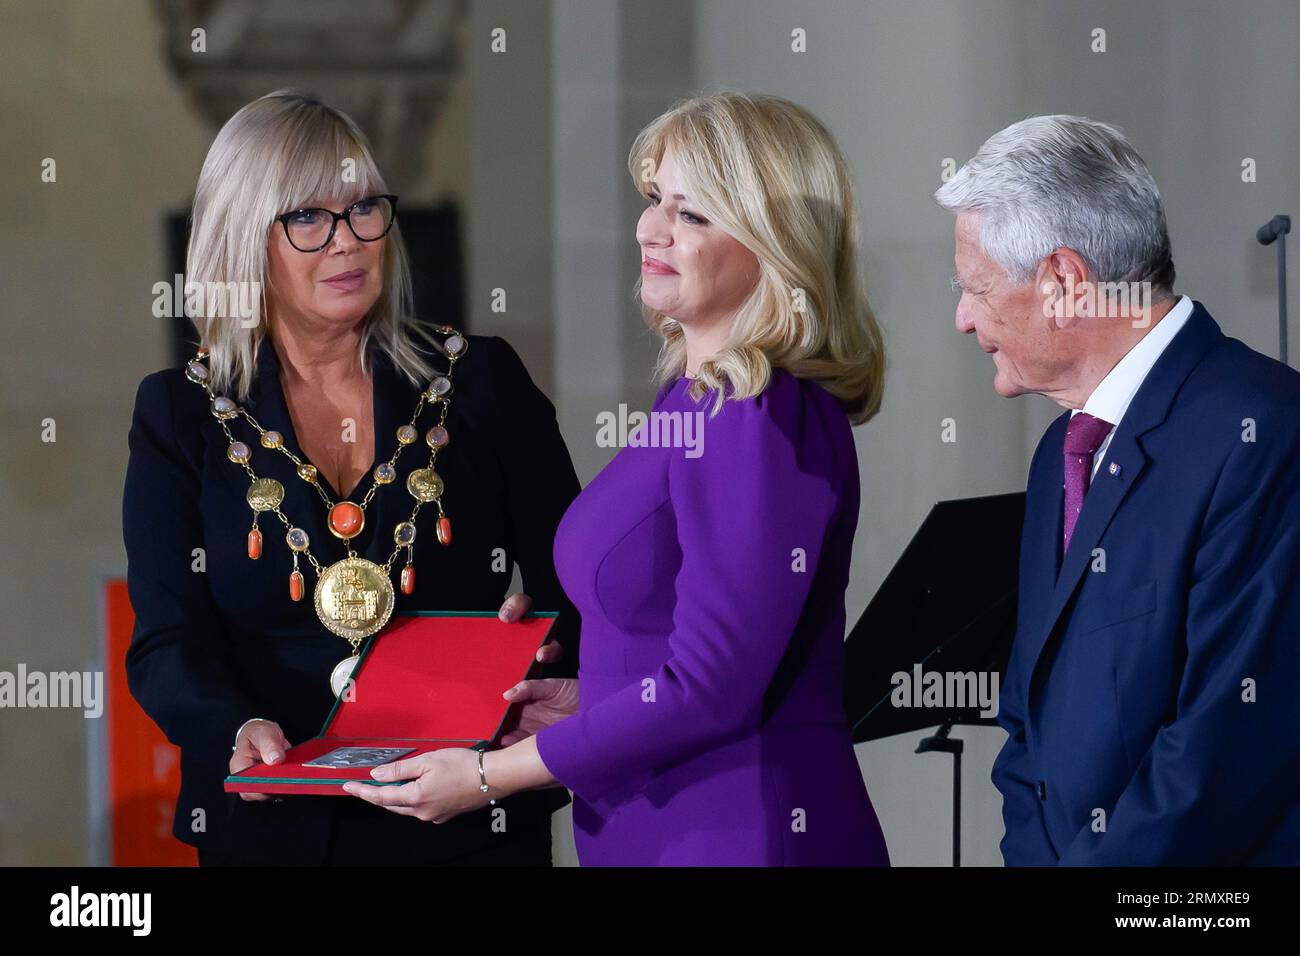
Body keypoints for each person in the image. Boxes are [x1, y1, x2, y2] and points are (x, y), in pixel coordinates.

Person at [345, 92, 892, 867]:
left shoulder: (756, 414)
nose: (650, 228)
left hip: (738, 833)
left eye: (693, 214)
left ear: (776, 245)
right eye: (653, 200)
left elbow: (710, 684)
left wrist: (487, 775)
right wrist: (588, 704)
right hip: (660, 824)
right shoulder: (698, 401)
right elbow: (675, 648)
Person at [122, 89, 581, 866]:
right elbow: (166, 641)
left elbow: (586, 588)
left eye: (365, 208)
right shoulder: (180, 415)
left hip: (465, 819)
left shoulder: (481, 384)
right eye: (307, 217)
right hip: (273, 831)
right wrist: (233, 728)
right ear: (242, 237)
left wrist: (547, 672)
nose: (348, 242)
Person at [936, 114, 1300, 864]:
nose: (964, 318)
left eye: (975, 287)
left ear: (1065, 282)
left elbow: (1225, 749)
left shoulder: (1263, 433)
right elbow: (1027, 727)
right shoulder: (1059, 454)